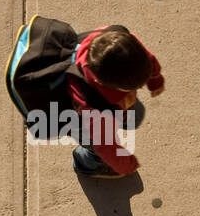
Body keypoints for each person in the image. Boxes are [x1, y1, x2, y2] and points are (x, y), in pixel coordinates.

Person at [67, 25, 164, 179]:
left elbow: (144, 55)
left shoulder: (114, 38)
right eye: (131, 89)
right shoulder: (94, 109)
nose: (138, 89)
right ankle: (87, 165)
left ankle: (119, 114)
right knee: (92, 143)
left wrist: (154, 79)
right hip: (77, 117)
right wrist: (127, 165)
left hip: (103, 101)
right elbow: (105, 147)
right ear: (103, 84)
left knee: (122, 114)